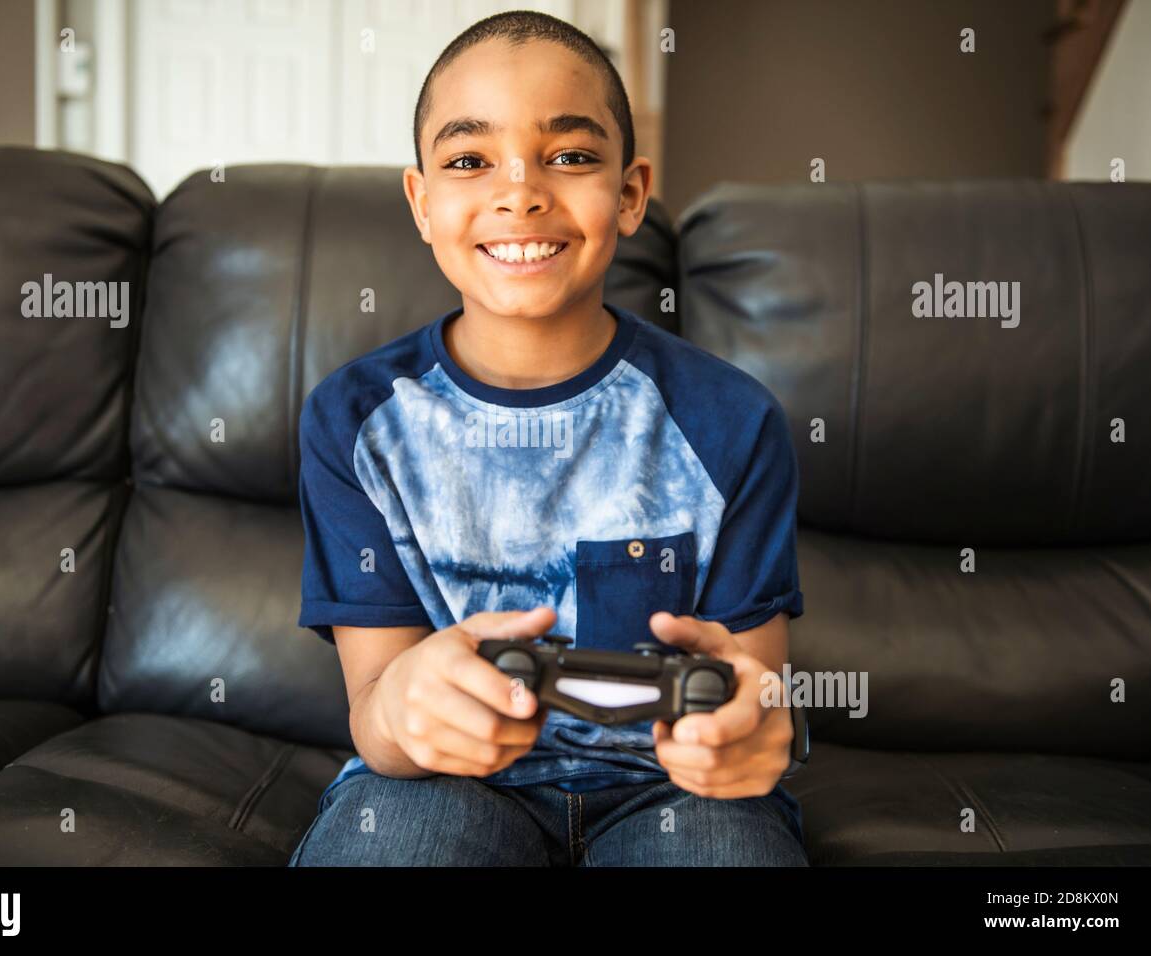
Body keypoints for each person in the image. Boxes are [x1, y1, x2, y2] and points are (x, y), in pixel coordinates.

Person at [288, 10, 807, 866]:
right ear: (422, 202)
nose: (521, 191)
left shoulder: (733, 421)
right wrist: (399, 709)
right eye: (468, 160)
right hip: (442, 786)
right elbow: (375, 718)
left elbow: (756, 699)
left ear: (632, 192)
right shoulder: (352, 424)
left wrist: (756, 731)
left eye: (570, 156)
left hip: (671, 793)